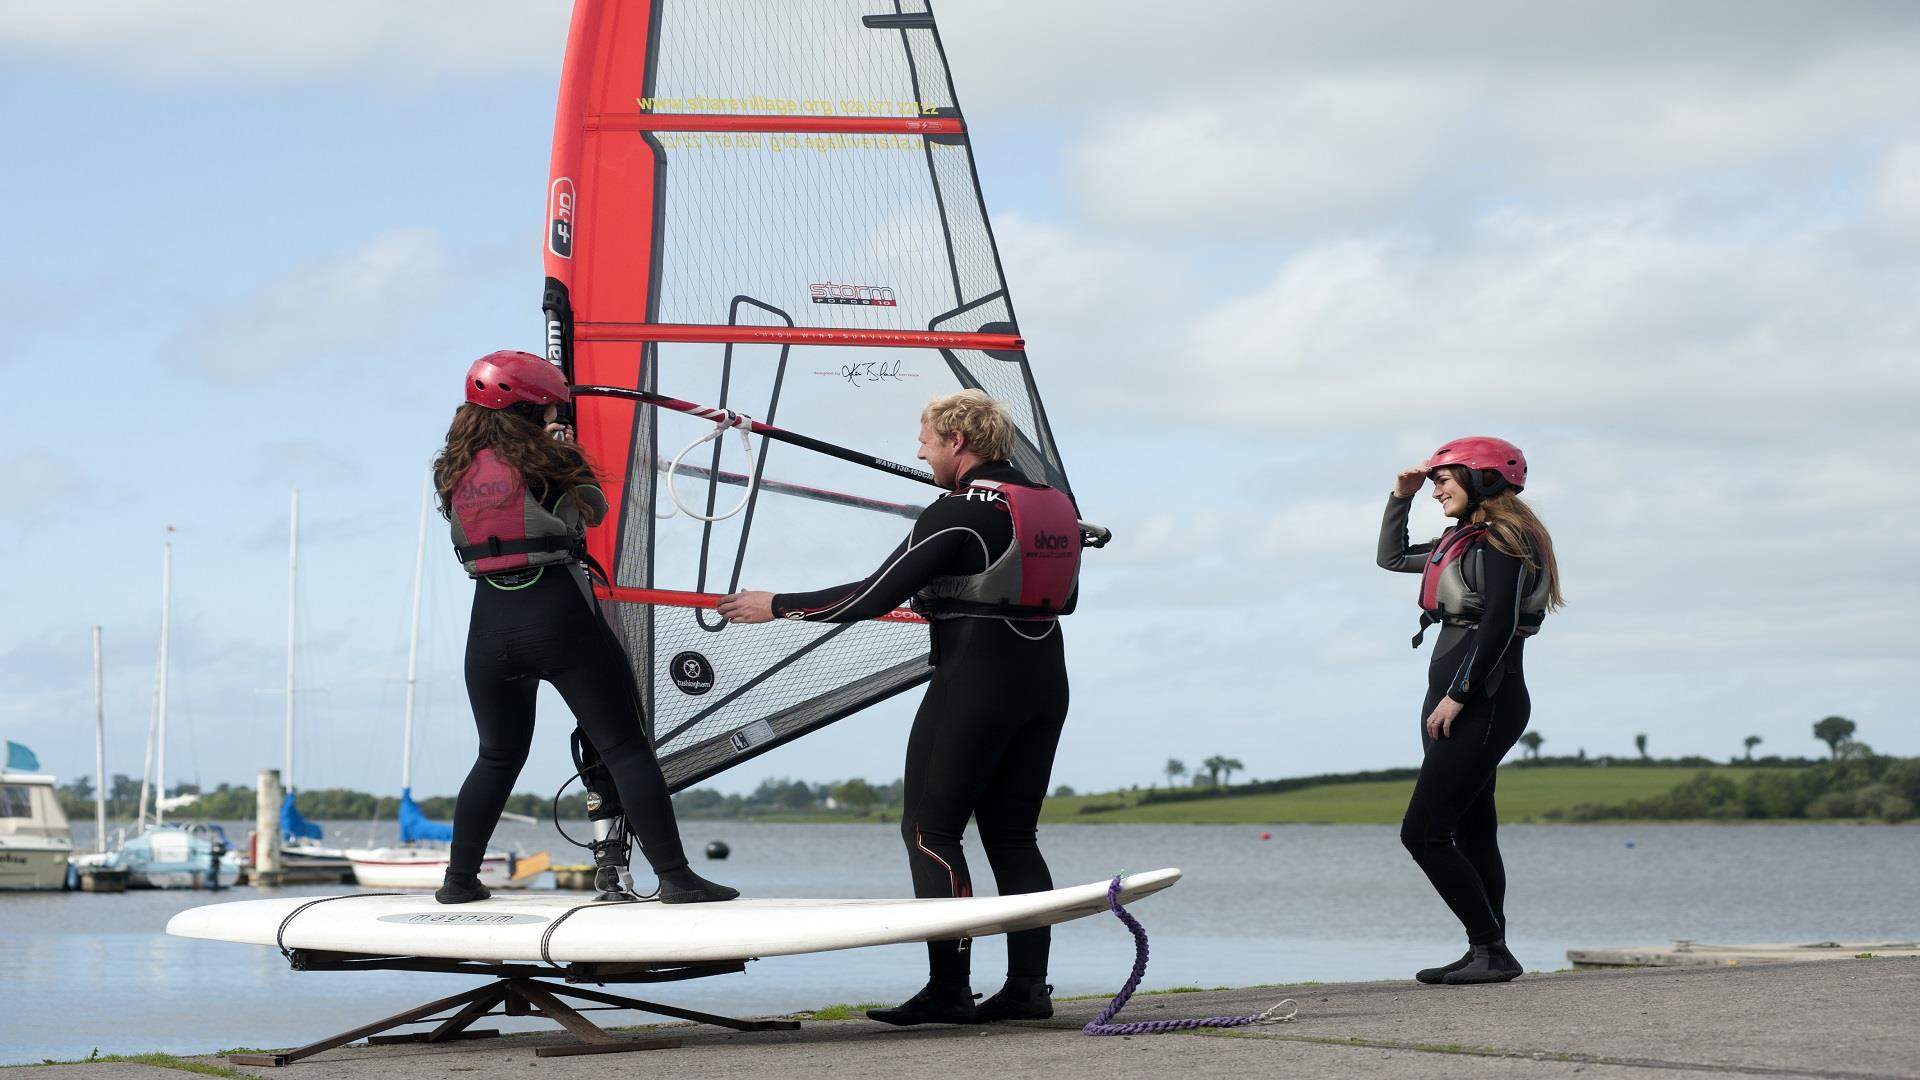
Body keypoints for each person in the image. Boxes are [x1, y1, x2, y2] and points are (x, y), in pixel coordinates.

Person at [717, 389, 1080, 1025]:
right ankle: (1028, 988)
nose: (919, 451)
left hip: (978, 681)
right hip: (1046, 679)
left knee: (929, 830)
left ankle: (949, 988)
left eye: (926, 440)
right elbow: (1063, 598)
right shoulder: (1054, 508)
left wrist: (774, 604)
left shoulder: (956, 513)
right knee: (1013, 835)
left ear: (957, 442)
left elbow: (870, 596)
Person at [433, 349, 735, 906]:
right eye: (548, 406)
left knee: (497, 756)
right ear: (530, 408)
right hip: (558, 617)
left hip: (489, 630)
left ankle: (458, 881)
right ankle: (675, 876)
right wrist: (569, 453)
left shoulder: (453, 469)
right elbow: (593, 512)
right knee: (623, 747)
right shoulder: (550, 458)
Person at [1377, 436, 1563, 984]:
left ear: (1482, 479)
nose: (1436, 490)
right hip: (1460, 699)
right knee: (1472, 828)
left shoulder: (1505, 540)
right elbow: (1390, 559)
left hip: (1483, 699)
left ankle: (1491, 947)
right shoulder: (1464, 540)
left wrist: (1458, 695)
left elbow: (1499, 623)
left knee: (1424, 832)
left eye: (1443, 480)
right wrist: (1400, 497)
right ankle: (1487, 948)